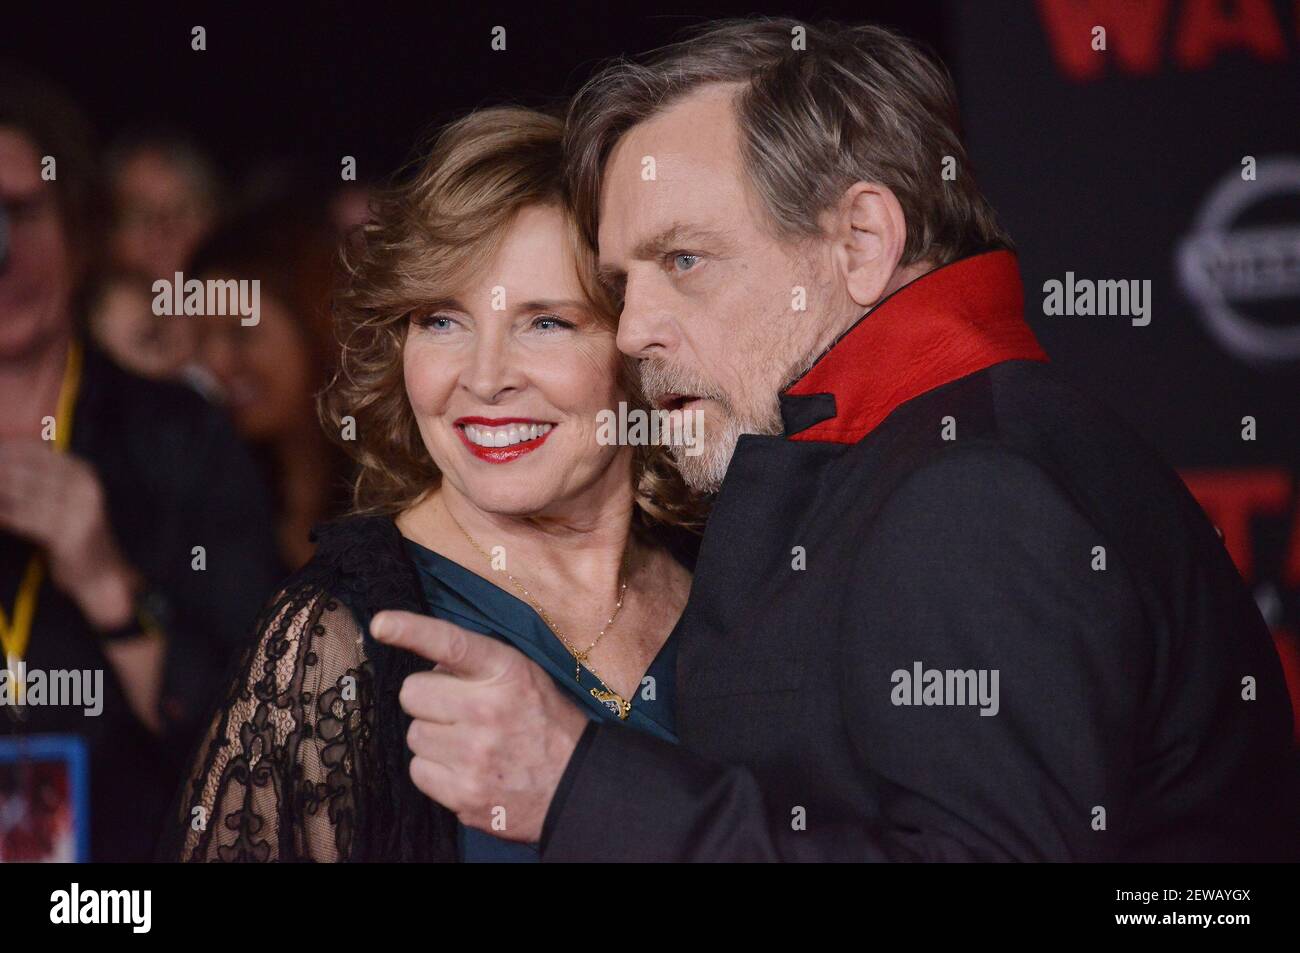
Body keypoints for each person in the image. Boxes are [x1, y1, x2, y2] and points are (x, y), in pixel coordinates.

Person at [371, 19, 1300, 861]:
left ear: (861, 240)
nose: (631, 329)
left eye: (683, 261)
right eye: (623, 281)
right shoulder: (923, 449)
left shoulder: (970, 490)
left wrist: (580, 787)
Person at [162, 106, 700, 862]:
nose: (482, 378)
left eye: (545, 322)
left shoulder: (729, 592)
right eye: (442, 320)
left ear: (637, 343)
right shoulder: (340, 635)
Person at [0, 63, 282, 861]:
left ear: (84, 229)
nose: (4, 252)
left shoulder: (181, 435)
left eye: (24, 213)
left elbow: (258, 747)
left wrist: (106, 580)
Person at [188, 193, 352, 568]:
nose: (216, 362)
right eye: (199, 338)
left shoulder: (394, 486)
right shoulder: (214, 492)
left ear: (317, 323)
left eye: (240, 333)